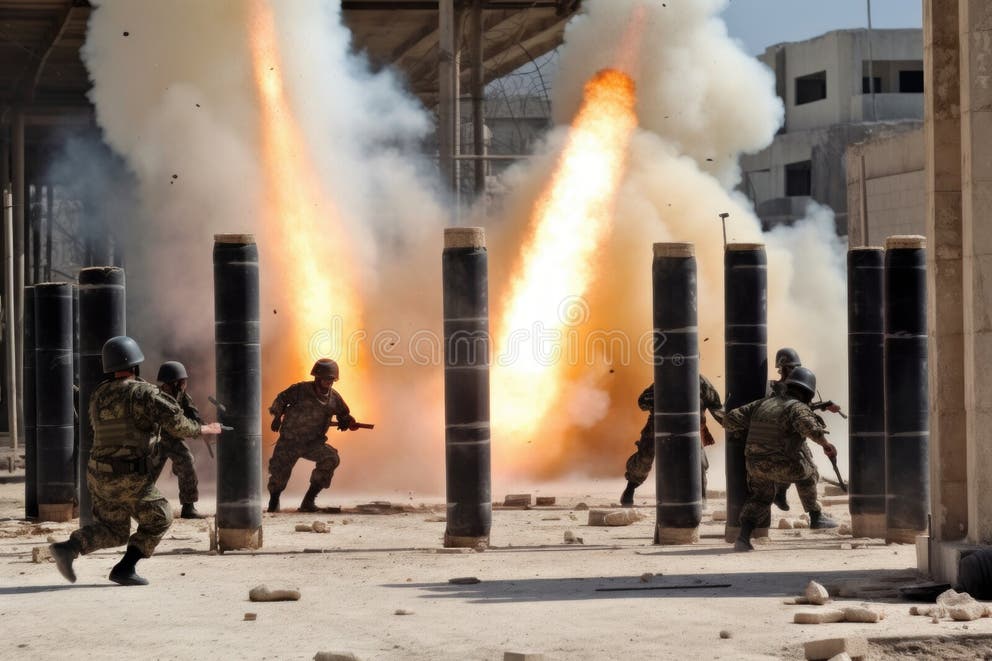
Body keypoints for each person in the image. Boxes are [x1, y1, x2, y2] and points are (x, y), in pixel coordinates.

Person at [49, 336, 222, 585]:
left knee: (114, 530)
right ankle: (125, 568)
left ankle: (68, 548)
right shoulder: (143, 393)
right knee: (161, 516)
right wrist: (204, 429)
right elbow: (177, 423)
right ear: (135, 365)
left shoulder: (98, 394)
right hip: (126, 474)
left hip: (98, 476)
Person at [724, 366, 839, 552]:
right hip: (781, 464)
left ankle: (743, 538)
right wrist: (826, 445)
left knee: (760, 498)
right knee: (809, 472)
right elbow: (810, 428)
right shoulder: (798, 407)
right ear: (808, 392)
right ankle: (816, 516)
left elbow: (729, 420)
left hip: (755, 465)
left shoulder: (762, 404)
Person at [267, 358, 359, 513]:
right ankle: (274, 501)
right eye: (325, 378)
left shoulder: (334, 398)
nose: (328, 382)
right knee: (279, 473)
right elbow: (281, 399)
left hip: (313, 444)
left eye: (331, 379)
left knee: (331, 458)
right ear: (317, 377)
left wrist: (346, 421)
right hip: (290, 441)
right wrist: (277, 417)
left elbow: (344, 414)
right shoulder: (300, 389)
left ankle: (308, 501)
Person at [620, 374, 725, 507]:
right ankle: (630, 488)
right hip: (660, 425)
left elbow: (716, 407)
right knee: (644, 458)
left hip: (690, 427)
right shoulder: (666, 379)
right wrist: (662, 396)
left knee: (699, 463)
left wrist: (731, 422)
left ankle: (700, 500)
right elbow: (642, 402)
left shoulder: (701, 382)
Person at [767, 348, 842, 511]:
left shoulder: (795, 385)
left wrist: (824, 406)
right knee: (808, 472)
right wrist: (825, 443)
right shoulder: (774, 388)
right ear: (782, 368)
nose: (794, 371)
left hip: (793, 434)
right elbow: (790, 409)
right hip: (780, 436)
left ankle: (780, 493)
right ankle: (814, 513)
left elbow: (802, 407)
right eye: (790, 368)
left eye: (795, 368)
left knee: (800, 467)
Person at [154, 361, 207, 519]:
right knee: (146, 476)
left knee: (187, 462)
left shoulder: (181, 395)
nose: (185, 385)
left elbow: (193, 415)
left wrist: (204, 428)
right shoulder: (155, 396)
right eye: (183, 382)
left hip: (173, 438)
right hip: (155, 439)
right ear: (174, 383)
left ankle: (188, 507)